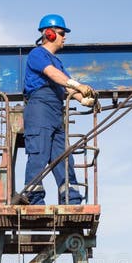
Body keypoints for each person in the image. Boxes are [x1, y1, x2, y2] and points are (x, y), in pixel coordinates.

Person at [23, 14, 96, 205]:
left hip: (56, 111)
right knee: (39, 153)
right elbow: (53, 75)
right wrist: (77, 84)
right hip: (39, 109)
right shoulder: (37, 54)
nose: (65, 37)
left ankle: (71, 200)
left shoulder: (58, 62)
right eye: (62, 33)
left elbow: (68, 88)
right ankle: (33, 199)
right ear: (49, 34)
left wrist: (85, 100)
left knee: (64, 158)